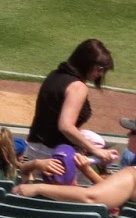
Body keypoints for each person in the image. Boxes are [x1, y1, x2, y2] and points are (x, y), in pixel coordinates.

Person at [26, 38, 119, 169]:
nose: (100, 74)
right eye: (100, 68)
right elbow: (65, 126)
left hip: (35, 149)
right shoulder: (77, 87)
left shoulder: (54, 75)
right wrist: (95, 150)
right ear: (86, 62)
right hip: (55, 156)